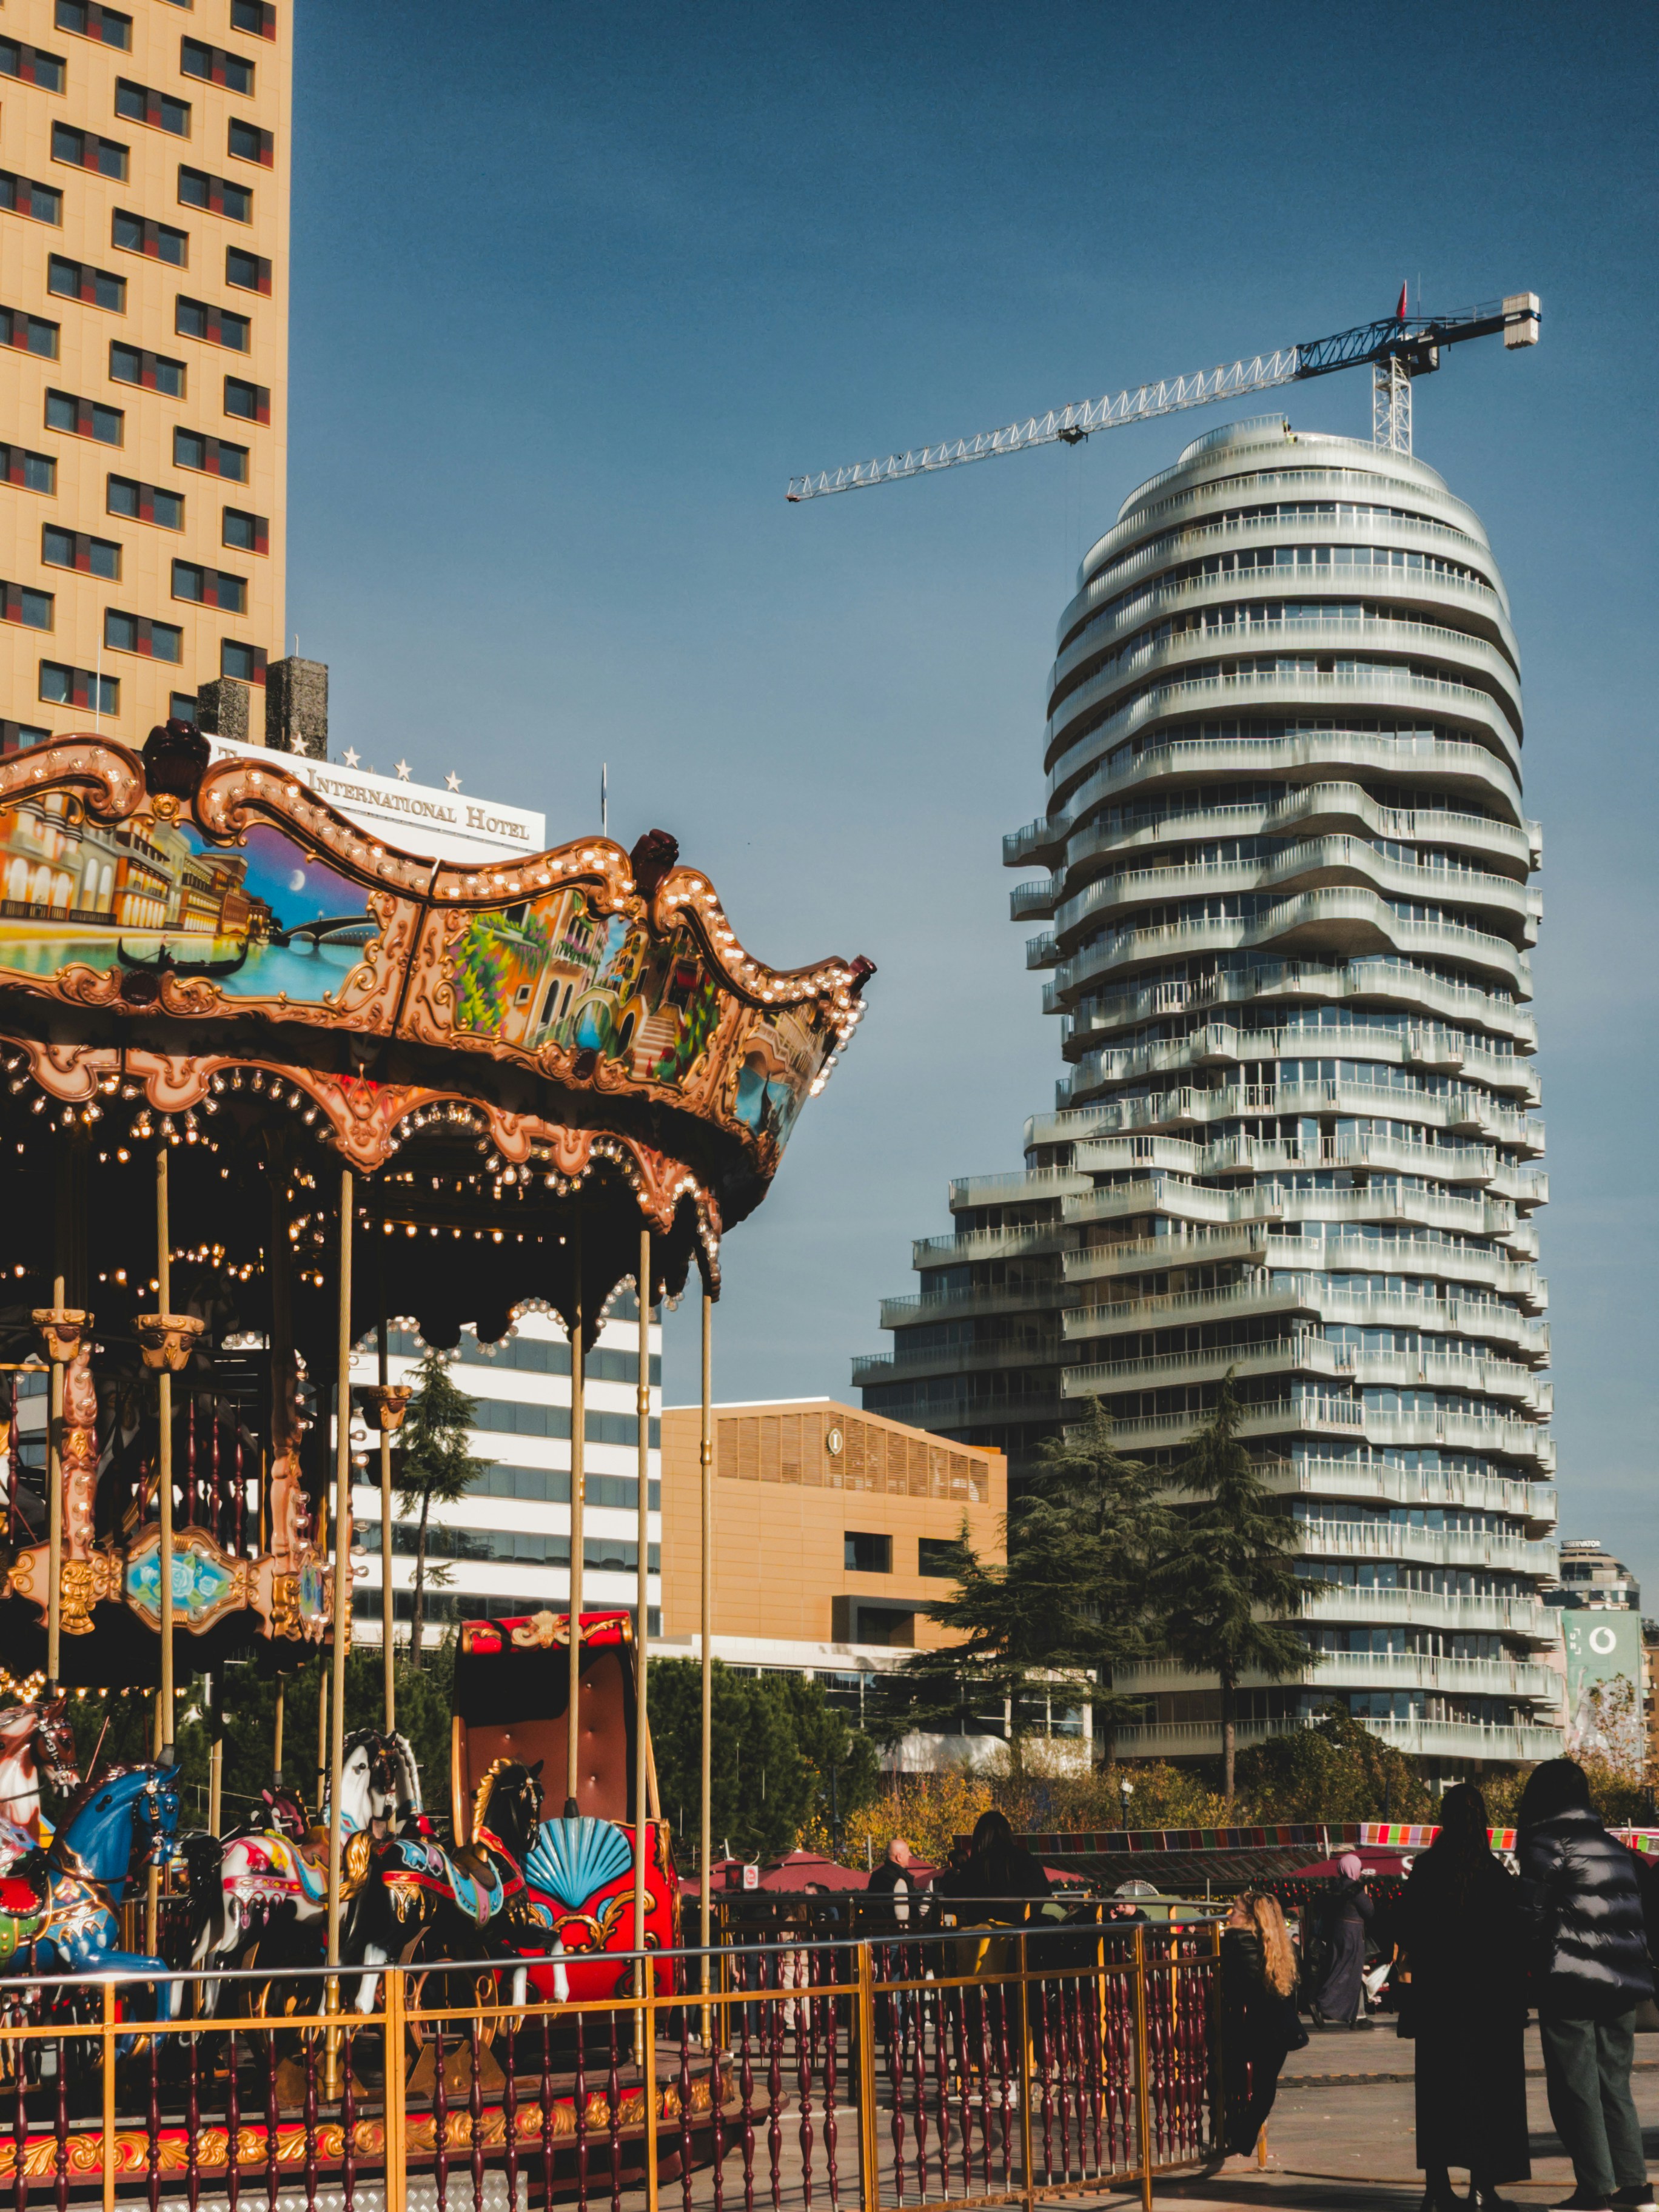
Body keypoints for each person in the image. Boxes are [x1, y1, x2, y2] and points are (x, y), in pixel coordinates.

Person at [1516, 1758, 1655, 2212]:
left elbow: (1530, 1917)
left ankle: (1595, 2189)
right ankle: (1634, 2185)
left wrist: (1531, 1967)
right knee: (1615, 2083)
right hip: (1622, 1982)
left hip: (1570, 1981)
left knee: (1575, 2086)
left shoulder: (1545, 1843)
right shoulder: (1615, 1847)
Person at [1394, 1781, 1529, 2212]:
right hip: (1487, 2002)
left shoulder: (1426, 1870)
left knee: (1437, 2092)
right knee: (1485, 2093)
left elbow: (1405, 1929)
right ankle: (1482, 2188)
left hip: (1437, 2000)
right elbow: (1512, 1946)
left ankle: (1437, 2189)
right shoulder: (1494, 1875)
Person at [1218, 1891, 1303, 2162]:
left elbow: (1239, 1985)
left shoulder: (1237, 1940)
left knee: (1248, 2080)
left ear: (1250, 1918)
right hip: (1279, 2021)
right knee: (1265, 2085)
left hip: (1262, 2023)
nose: (1229, 1915)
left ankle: (1242, 2136)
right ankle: (1244, 2137)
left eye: (1234, 1910)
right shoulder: (1275, 1941)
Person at [1311, 1852, 1375, 2027]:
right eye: (1359, 1868)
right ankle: (1321, 2003)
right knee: (1347, 1972)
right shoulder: (1354, 1888)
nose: (1360, 1871)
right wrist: (1367, 1896)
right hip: (1352, 1935)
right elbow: (1369, 1912)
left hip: (1336, 1933)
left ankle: (1356, 2017)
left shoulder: (1333, 1887)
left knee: (1338, 1969)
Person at [867, 1835, 918, 1928]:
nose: (910, 1855)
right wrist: (906, 1933)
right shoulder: (900, 1879)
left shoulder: (876, 1875)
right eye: (908, 1853)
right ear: (899, 1857)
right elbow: (901, 1914)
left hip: (877, 1930)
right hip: (896, 1932)